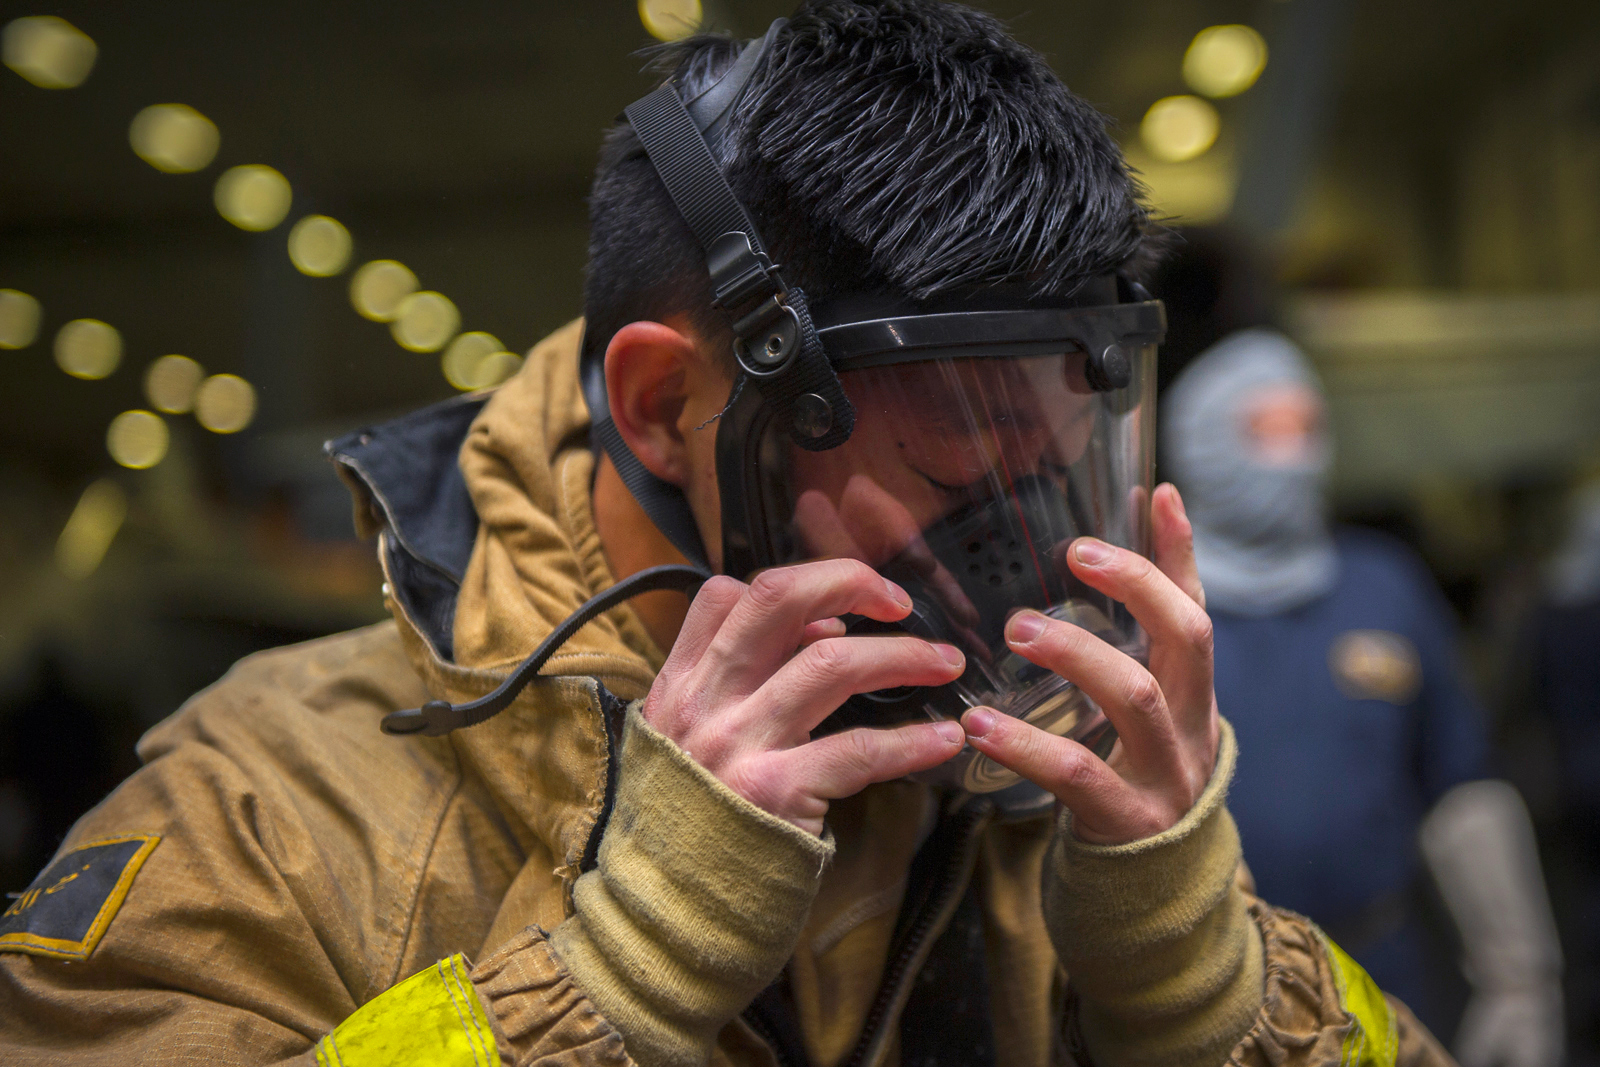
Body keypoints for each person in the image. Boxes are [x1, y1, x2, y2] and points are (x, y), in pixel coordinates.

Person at [0, 4, 1449, 1064]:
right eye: (954, 438)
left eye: (1061, 452)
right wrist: (611, 977)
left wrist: (1201, 982)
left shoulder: (1049, 776)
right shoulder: (265, 804)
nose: (1026, 554)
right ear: (662, 401)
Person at [1163, 326, 1565, 1067]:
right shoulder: (1152, 607)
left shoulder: (1384, 585)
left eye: (1307, 427)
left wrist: (1521, 978)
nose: (1294, 455)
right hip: (1203, 989)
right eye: (1265, 430)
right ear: (1200, 440)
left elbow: (1461, 788)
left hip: (1382, 970)